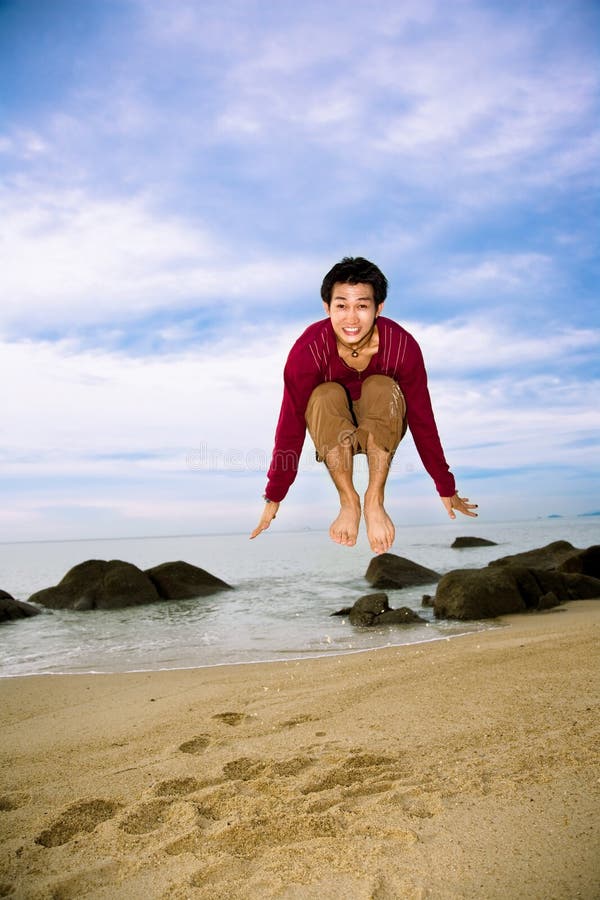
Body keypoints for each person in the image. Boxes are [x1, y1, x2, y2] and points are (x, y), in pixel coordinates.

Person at [250, 256, 477, 554]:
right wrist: (274, 495)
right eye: (342, 306)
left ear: (378, 308)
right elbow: (290, 425)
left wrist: (445, 485)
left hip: (382, 426)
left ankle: (373, 499)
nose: (351, 319)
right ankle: (349, 500)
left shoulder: (402, 347)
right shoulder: (308, 351)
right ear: (327, 307)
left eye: (362, 306)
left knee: (381, 385)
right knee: (324, 393)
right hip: (333, 430)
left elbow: (423, 420)